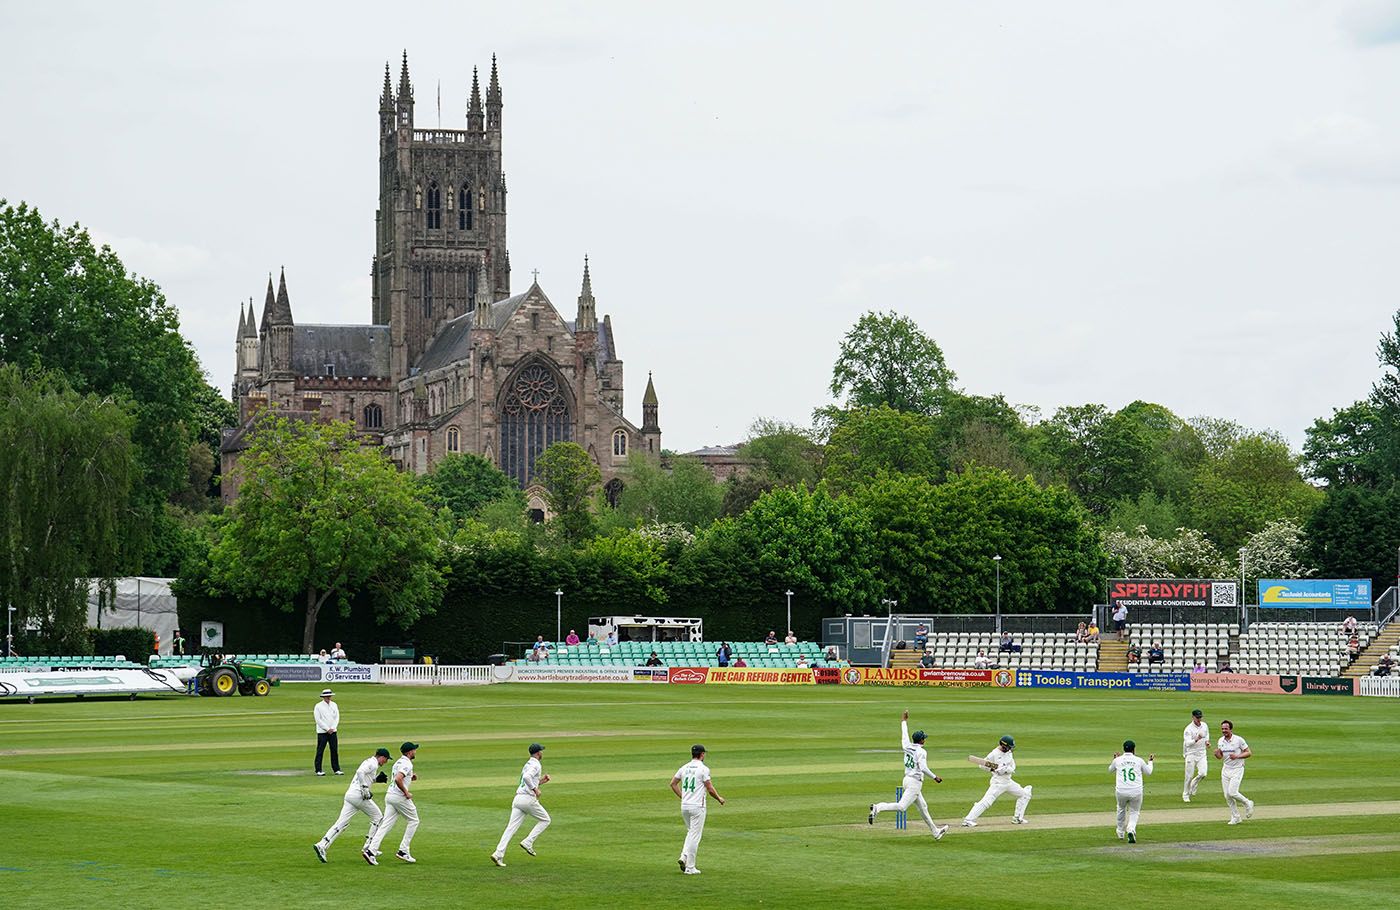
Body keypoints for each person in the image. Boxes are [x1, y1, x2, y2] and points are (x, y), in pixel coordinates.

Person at [868, 711, 949, 840]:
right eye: (924, 738)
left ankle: (935, 832)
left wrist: (904, 721)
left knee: (923, 807)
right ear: (921, 740)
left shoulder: (907, 746)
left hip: (907, 780)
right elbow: (923, 768)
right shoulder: (921, 752)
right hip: (915, 783)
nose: (925, 740)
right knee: (902, 807)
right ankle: (878, 807)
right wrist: (935, 777)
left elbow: (904, 734)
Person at [315, 747, 390, 863]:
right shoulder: (373, 764)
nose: (386, 762)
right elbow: (360, 772)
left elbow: (363, 776)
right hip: (359, 796)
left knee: (341, 823)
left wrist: (375, 780)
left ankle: (322, 844)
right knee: (378, 818)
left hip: (350, 795)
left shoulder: (369, 762)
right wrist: (365, 788)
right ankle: (369, 848)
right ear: (381, 757)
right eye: (386, 759)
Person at [491, 743, 551, 867]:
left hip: (518, 798)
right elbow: (527, 777)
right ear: (538, 753)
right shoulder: (536, 764)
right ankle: (528, 842)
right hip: (528, 799)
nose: (542, 753)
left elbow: (527, 780)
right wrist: (535, 789)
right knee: (545, 820)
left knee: (510, 828)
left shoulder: (528, 764)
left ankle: (498, 854)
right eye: (541, 751)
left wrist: (541, 782)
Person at [671, 744, 725, 874]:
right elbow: (710, 789)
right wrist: (719, 798)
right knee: (695, 836)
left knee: (691, 832)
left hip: (685, 806)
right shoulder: (703, 769)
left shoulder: (684, 767)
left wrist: (683, 797)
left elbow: (673, 784)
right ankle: (690, 868)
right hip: (697, 807)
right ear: (702, 754)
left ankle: (684, 856)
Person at [365, 742, 421, 864]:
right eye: (414, 750)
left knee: (385, 825)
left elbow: (399, 777)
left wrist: (410, 777)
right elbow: (398, 779)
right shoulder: (407, 763)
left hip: (390, 796)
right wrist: (406, 792)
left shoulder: (398, 762)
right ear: (409, 752)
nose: (415, 752)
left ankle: (371, 851)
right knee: (414, 820)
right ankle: (403, 850)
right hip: (399, 797)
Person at [962, 735, 1032, 827]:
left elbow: (1012, 764)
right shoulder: (993, 754)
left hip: (1008, 781)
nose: (1011, 749)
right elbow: (982, 765)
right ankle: (968, 820)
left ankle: (1017, 818)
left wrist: (1008, 769)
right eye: (1009, 747)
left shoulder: (1009, 752)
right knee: (987, 801)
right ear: (1004, 745)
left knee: (1025, 794)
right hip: (998, 783)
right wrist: (994, 769)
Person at [1109, 740, 1154, 843]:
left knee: (1121, 809)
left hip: (1121, 790)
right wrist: (1150, 761)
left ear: (1123, 749)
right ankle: (1131, 829)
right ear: (1134, 749)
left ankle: (1120, 832)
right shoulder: (1139, 760)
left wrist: (1115, 759)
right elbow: (1149, 772)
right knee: (1134, 811)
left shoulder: (1118, 760)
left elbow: (1110, 770)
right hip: (1136, 790)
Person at [1214, 720, 1254, 825]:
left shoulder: (1238, 740)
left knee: (1232, 792)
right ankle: (1236, 817)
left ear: (1230, 729)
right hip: (1225, 769)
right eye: (1222, 729)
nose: (1224, 731)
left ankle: (1247, 803)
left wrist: (1237, 756)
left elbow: (1249, 753)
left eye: (1226, 729)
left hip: (1237, 769)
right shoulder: (1220, 741)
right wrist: (1217, 754)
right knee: (1227, 796)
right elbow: (1220, 757)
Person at [1182, 708, 1209, 802]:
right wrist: (1196, 739)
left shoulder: (1204, 725)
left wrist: (1207, 742)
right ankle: (1185, 795)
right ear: (1193, 717)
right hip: (1191, 753)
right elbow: (1187, 743)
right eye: (1197, 717)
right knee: (1189, 776)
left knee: (1203, 773)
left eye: (1200, 717)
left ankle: (1194, 783)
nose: (1199, 719)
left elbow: (1207, 735)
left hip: (1202, 753)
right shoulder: (1188, 729)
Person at [314, 688, 342, 777]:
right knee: (320, 751)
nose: (328, 697)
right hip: (322, 732)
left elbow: (337, 717)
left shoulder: (334, 705)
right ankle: (318, 770)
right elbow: (318, 719)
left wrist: (333, 728)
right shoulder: (318, 706)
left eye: (329, 696)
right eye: (326, 696)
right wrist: (327, 729)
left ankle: (336, 769)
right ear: (323, 697)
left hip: (333, 731)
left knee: (334, 750)